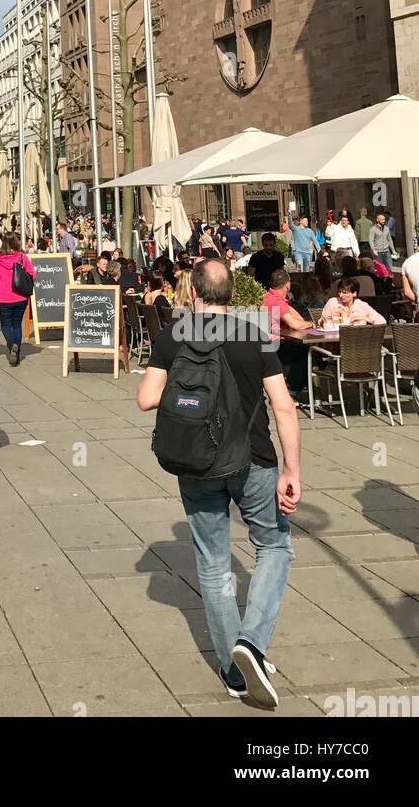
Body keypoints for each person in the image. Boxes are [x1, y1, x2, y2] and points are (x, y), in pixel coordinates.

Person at [136, 259, 301, 709]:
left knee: (212, 565)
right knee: (274, 547)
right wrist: (292, 470)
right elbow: (283, 407)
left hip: (196, 463)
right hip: (254, 461)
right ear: (233, 294)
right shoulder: (254, 334)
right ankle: (252, 640)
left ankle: (233, 672)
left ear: (193, 293)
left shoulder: (174, 335)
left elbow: (147, 399)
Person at [262, 268, 313, 399]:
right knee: (310, 352)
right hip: (276, 345)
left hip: (267, 345)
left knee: (308, 352)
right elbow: (296, 324)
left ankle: (294, 386)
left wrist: (288, 305)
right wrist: (313, 324)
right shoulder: (277, 301)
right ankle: (291, 389)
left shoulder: (269, 297)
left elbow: (299, 321)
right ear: (288, 285)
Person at [0, 232, 35, 366]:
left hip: (3, 297)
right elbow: (32, 274)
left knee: (5, 324)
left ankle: (10, 344)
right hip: (20, 296)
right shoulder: (22, 257)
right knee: (17, 324)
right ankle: (17, 346)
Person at [319, 278, 385, 329]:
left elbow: (382, 322)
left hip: (357, 341)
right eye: (339, 292)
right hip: (335, 341)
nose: (341, 295)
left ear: (354, 294)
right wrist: (323, 321)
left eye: (345, 293)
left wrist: (364, 318)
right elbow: (322, 322)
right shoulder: (333, 302)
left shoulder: (361, 305)